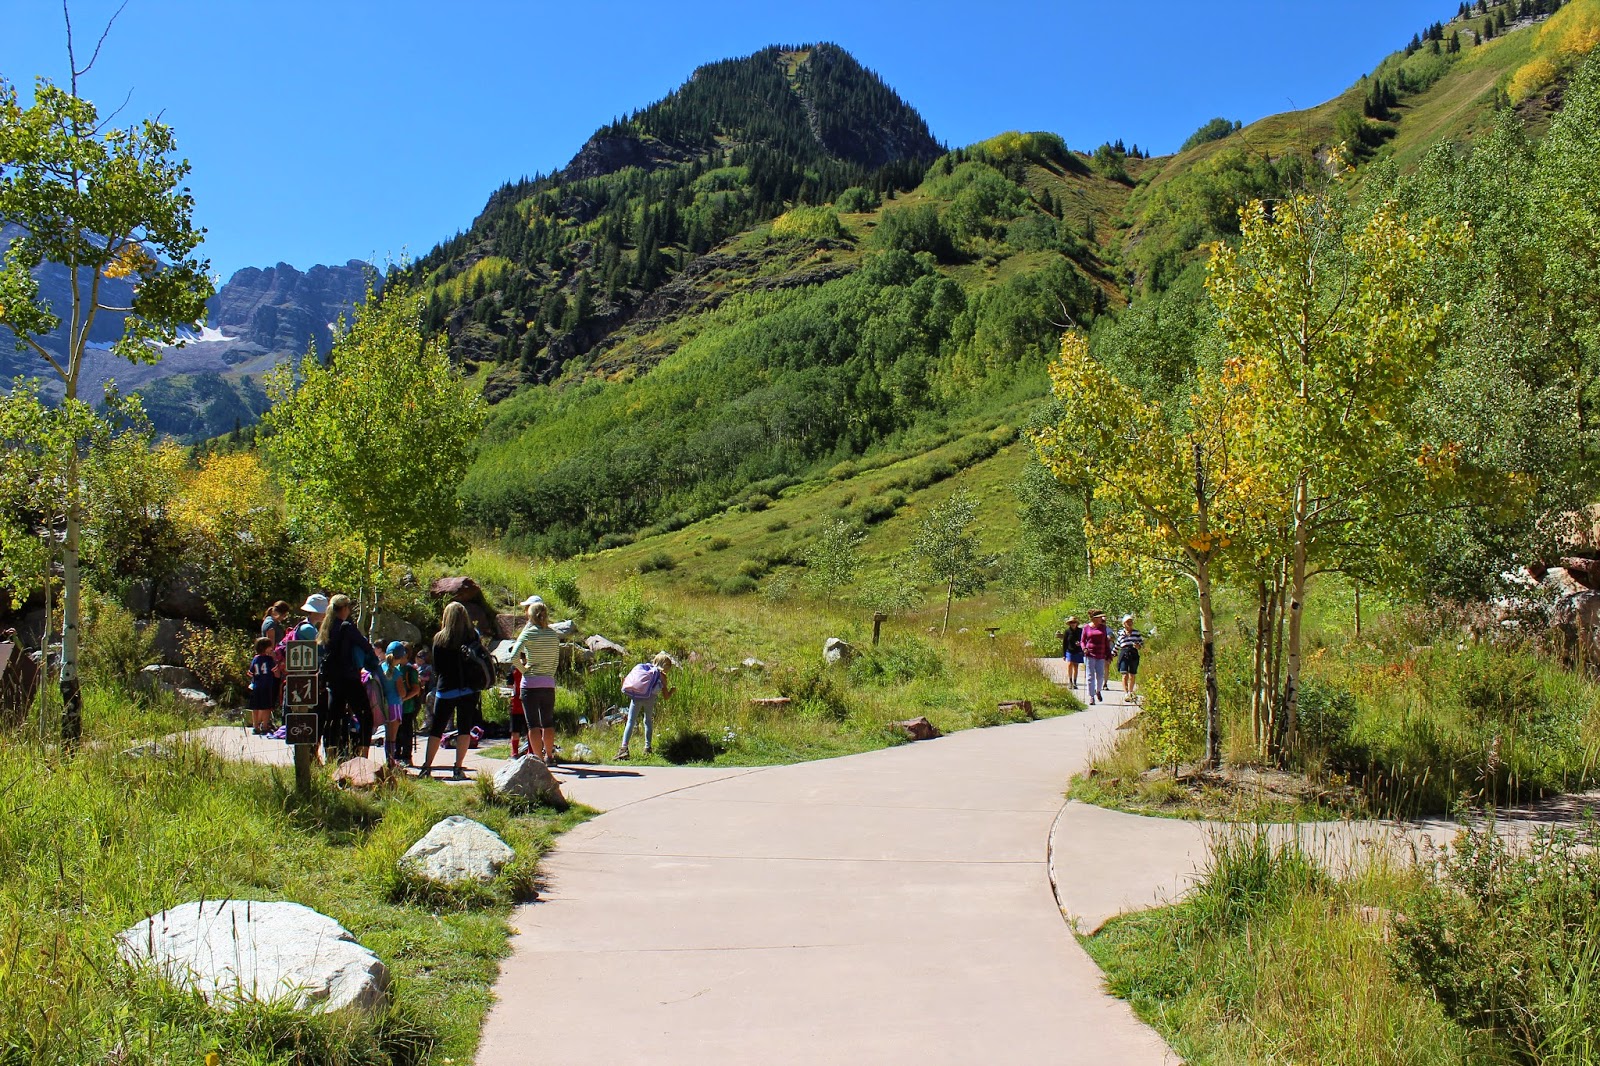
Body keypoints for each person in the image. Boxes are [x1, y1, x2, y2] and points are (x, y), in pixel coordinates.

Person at [419, 601, 490, 781]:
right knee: (464, 729)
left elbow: (438, 668)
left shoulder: (440, 639)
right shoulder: (472, 636)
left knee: (437, 729)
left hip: (446, 689)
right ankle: (458, 768)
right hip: (468, 689)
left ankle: (427, 767)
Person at [317, 594, 383, 762]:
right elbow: (365, 646)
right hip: (350, 678)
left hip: (333, 681)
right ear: (345, 609)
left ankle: (331, 759)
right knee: (365, 716)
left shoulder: (326, 628)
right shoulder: (347, 627)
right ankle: (362, 758)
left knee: (333, 719)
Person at [504, 595, 563, 766]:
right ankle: (549, 756)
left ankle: (538, 759)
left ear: (531, 615)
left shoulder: (528, 633)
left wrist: (524, 670)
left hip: (530, 683)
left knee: (533, 725)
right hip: (548, 682)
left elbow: (514, 656)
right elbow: (556, 660)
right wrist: (549, 673)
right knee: (548, 722)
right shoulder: (553, 634)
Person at [616, 652, 674, 761]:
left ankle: (624, 748)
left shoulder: (645, 669)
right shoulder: (662, 676)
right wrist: (672, 691)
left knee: (630, 721)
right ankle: (647, 748)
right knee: (647, 721)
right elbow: (666, 696)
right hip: (650, 699)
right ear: (665, 666)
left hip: (636, 697)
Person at [378, 642, 409, 767]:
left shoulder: (381, 668)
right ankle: (391, 761)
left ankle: (388, 760)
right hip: (395, 705)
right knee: (392, 737)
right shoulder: (396, 673)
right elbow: (402, 693)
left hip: (384, 705)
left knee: (387, 734)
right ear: (400, 657)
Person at [394, 643, 422, 766]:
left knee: (406, 733)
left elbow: (416, 689)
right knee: (397, 733)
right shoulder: (396, 668)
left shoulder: (410, 670)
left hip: (407, 708)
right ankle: (396, 755)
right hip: (396, 708)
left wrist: (404, 699)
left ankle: (407, 757)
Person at [1079, 611, 1112, 706]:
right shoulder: (1086, 627)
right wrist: (1084, 648)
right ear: (1093, 618)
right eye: (1099, 617)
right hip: (1090, 654)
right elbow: (1082, 641)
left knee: (1100, 676)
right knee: (1090, 676)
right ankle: (1091, 697)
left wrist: (1108, 654)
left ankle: (1098, 690)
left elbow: (1106, 642)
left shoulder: (1103, 628)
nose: (1101, 619)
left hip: (1101, 655)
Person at [247, 636, 277, 735]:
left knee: (255, 707)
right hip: (266, 686)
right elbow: (276, 673)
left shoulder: (255, 659)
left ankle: (255, 727)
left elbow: (250, 672)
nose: (271, 648)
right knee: (267, 707)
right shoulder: (269, 660)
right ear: (265, 648)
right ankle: (265, 726)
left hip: (256, 686)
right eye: (269, 646)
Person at [1115, 614, 1145, 698]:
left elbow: (1142, 644)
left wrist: (1138, 646)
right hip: (1124, 653)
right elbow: (1117, 644)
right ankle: (1126, 693)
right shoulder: (1121, 633)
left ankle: (1131, 692)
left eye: (1131, 621)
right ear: (1124, 623)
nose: (1129, 623)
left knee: (1132, 674)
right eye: (1127, 621)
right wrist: (1112, 654)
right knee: (1124, 674)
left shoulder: (1136, 632)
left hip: (1133, 653)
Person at [1060, 616, 1084, 690]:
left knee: (1076, 666)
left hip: (1078, 651)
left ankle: (1075, 682)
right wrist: (1064, 654)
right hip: (1069, 651)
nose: (1073, 624)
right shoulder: (1067, 631)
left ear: (1076, 623)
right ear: (1069, 624)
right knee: (1070, 664)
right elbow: (1064, 643)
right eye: (1071, 622)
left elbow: (1084, 640)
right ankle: (1070, 682)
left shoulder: (1081, 631)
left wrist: (1080, 644)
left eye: (1074, 622)